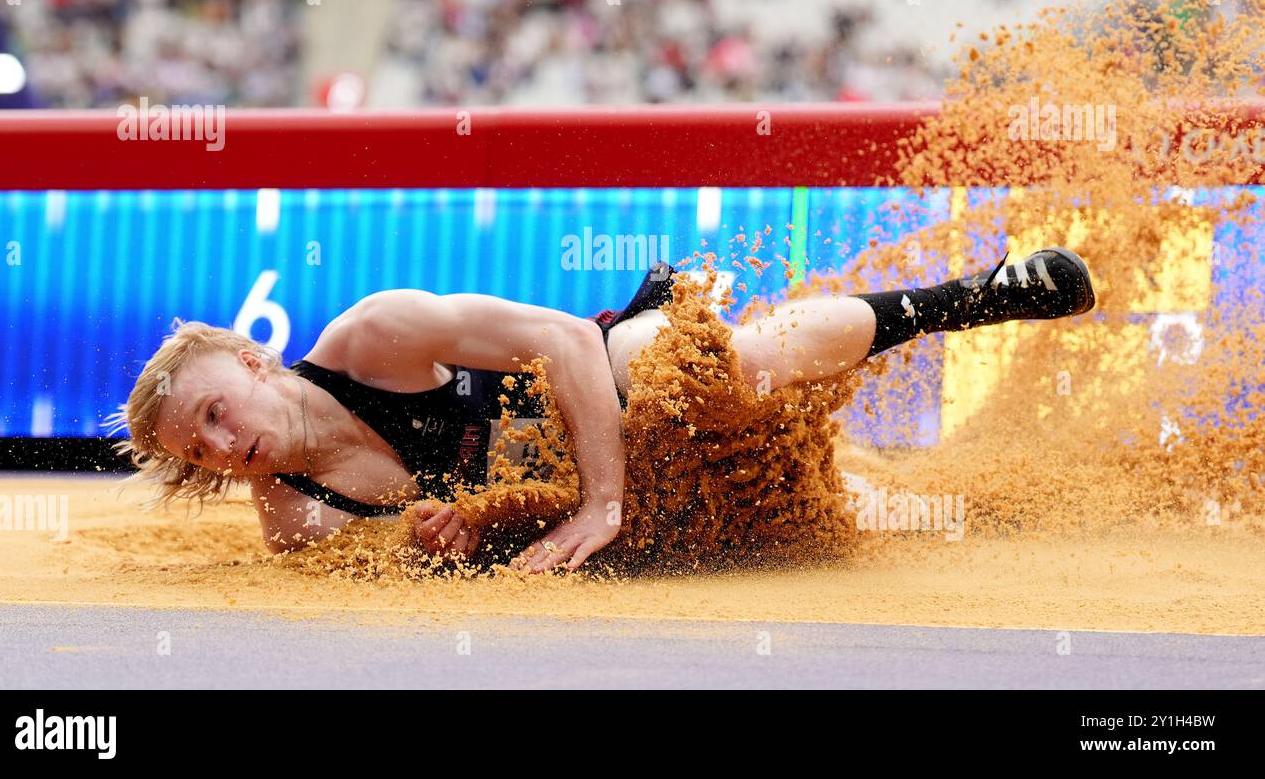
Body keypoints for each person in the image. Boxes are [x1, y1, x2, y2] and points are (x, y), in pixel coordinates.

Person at [106, 248, 1095, 573]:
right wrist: (449, 544)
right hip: (627, 500)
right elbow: (410, 573)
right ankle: (983, 497)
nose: (228, 444)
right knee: (856, 513)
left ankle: (975, 294)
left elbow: (567, 344)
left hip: (615, 385)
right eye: (204, 446)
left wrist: (601, 503)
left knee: (698, 363)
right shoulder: (293, 515)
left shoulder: (378, 334)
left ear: (250, 355)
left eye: (218, 411)